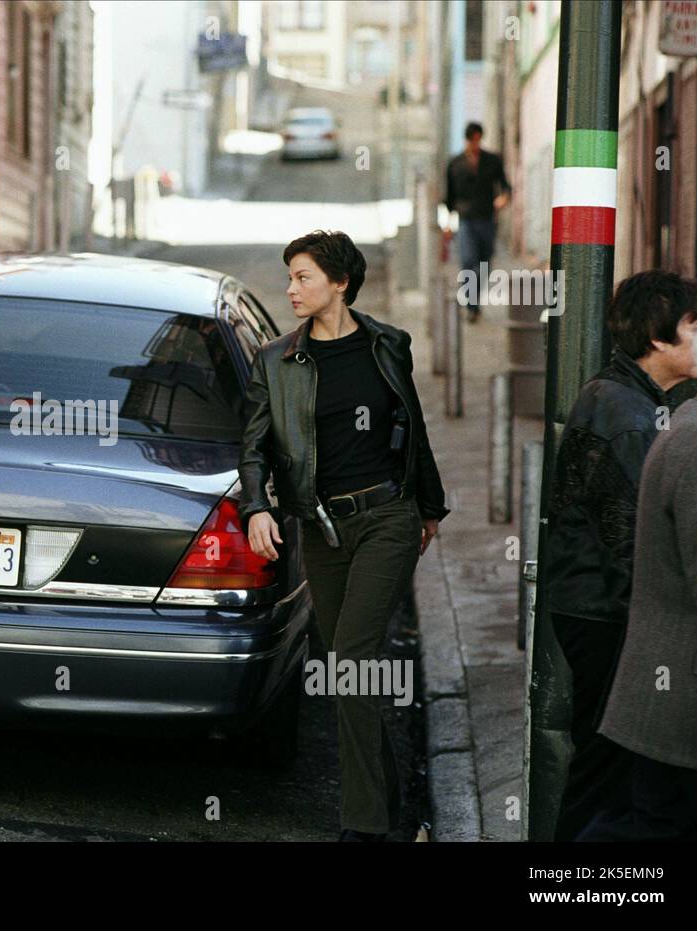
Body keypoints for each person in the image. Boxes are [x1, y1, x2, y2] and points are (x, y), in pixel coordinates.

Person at [238, 230, 450, 841]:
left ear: (340, 283)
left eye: (303, 277)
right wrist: (258, 507)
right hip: (321, 528)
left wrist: (428, 507)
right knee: (343, 669)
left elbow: (412, 427)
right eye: (289, 277)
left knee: (354, 660)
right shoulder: (275, 361)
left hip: (387, 517)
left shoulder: (388, 345)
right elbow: (253, 448)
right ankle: (390, 804)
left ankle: (363, 828)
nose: (291, 289)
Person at [543, 270, 697, 840]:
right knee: (605, 775)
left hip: (590, 604)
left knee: (604, 772)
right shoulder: (630, 416)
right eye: (696, 325)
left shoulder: (621, 396)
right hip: (602, 612)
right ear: (659, 337)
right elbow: (638, 542)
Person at [444, 122, 512, 323]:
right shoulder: (455, 164)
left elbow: (505, 187)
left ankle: (474, 301)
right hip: (465, 220)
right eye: (471, 140)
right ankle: (471, 305)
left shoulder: (492, 161)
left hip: (487, 219)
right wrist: (448, 224)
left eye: (477, 140)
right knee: (468, 261)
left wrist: (503, 199)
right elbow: (449, 198)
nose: (474, 144)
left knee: (483, 265)